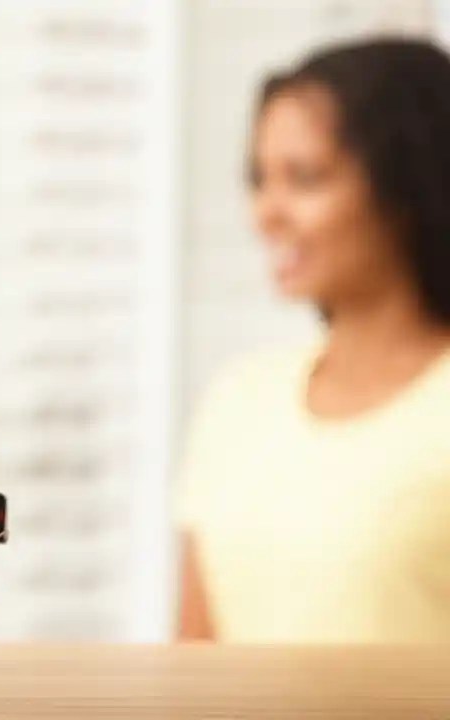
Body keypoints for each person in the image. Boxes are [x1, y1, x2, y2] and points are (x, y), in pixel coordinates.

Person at [177, 37, 450, 643]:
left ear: (404, 188)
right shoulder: (238, 400)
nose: (265, 214)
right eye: (259, 180)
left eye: (304, 178)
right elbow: (193, 665)